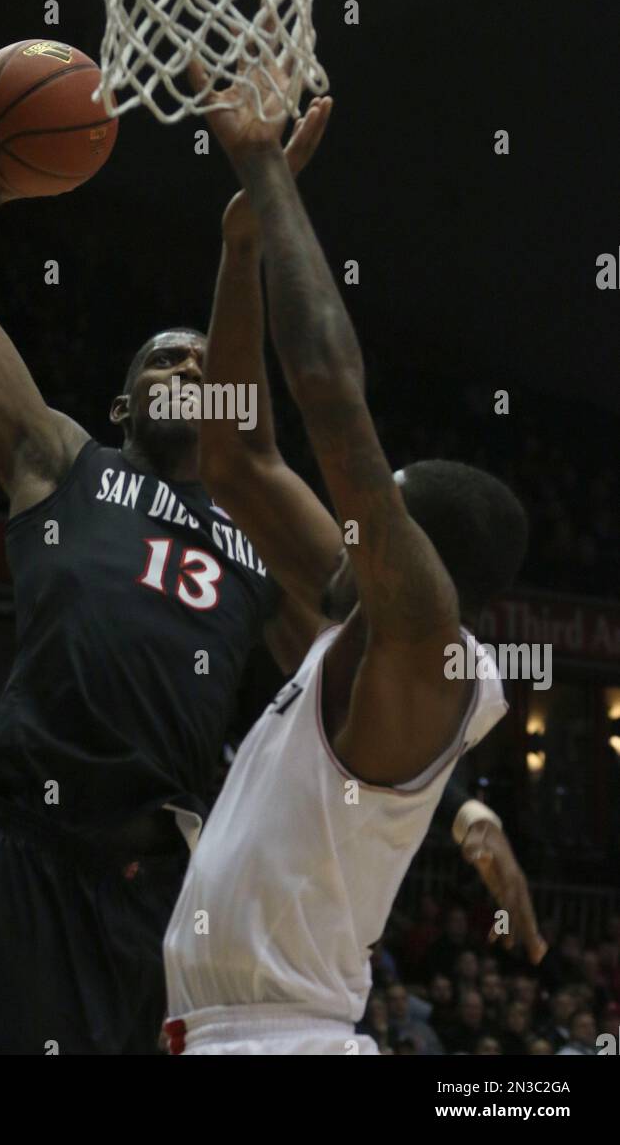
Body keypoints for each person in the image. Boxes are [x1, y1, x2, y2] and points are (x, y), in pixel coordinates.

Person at [161, 57, 545, 1055]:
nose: (354, 525)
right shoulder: (361, 622)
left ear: (428, 570)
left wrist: (266, 169)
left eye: (385, 517)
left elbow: (328, 388)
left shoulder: (424, 655)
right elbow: (237, 456)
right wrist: (241, 244)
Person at [0, 157, 313, 1054]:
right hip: (25, 858)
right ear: (124, 403)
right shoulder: (68, 462)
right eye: (165, 360)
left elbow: (356, 683)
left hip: (160, 891)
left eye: (206, 360)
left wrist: (460, 805)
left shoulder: (265, 544)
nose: (188, 366)